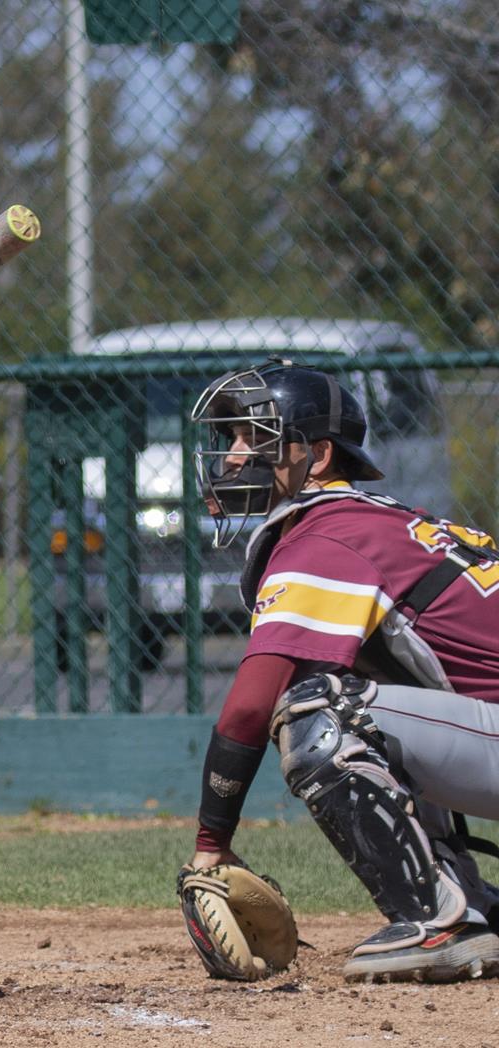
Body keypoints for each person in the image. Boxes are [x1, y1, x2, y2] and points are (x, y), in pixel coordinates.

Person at [184, 359, 499, 983]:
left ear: (319, 455)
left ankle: (439, 918)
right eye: (232, 439)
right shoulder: (381, 522)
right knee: (375, 704)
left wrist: (210, 845)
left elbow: (251, 704)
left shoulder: (326, 536)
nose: (233, 457)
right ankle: (471, 906)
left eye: (256, 438)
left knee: (320, 711)